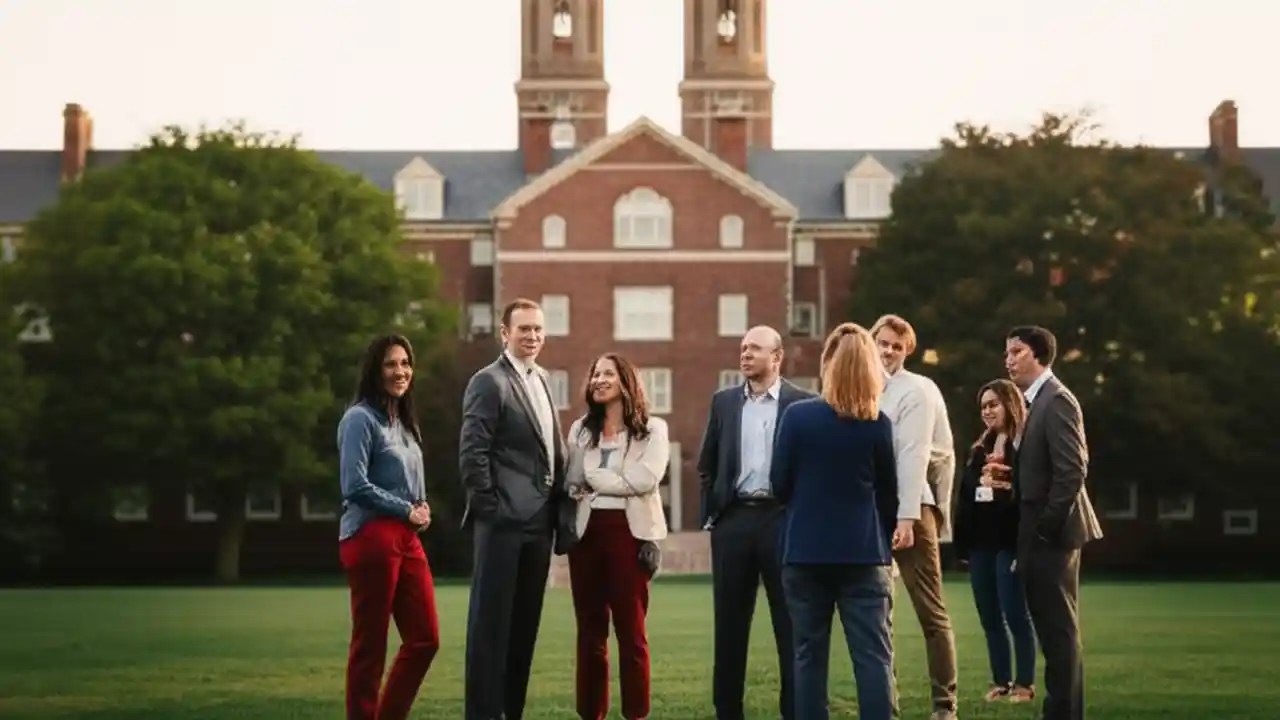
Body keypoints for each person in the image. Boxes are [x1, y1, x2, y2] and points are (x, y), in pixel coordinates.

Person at [771, 322, 899, 720]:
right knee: (873, 657)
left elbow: (778, 484)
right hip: (863, 553)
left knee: (808, 655)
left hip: (805, 552)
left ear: (828, 364)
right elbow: (888, 495)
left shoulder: (797, 417)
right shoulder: (878, 424)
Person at [697, 324, 816, 720]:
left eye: (755, 349)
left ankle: (795, 711)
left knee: (791, 625)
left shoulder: (804, 404)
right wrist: (712, 513)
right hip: (733, 521)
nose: (745, 354)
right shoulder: (724, 402)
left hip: (783, 520)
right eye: (743, 348)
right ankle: (727, 712)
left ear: (777, 357)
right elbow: (707, 464)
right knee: (729, 625)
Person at [459, 298, 568, 720]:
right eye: (524, 329)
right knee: (490, 630)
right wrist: (492, 509)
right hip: (503, 523)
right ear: (505, 333)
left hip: (540, 524)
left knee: (524, 629)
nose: (532, 336)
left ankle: (511, 713)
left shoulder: (542, 378)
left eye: (538, 329)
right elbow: (473, 454)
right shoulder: (488, 381)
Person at [992, 326, 1103, 720]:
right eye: (1007, 352)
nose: (1008, 360)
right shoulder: (1033, 403)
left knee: (1059, 635)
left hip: (1052, 537)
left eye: (1017, 352)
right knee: (1053, 635)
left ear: (1040, 355)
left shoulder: (1056, 401)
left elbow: (1072, 472)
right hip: (1037, 533)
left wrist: (1044, 529)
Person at [337, 333, 440, 720]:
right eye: (391, 364)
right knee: (371, 645)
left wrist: (422, 505)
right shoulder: (359, 419)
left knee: (425, 638)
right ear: (375, 371)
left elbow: (411, 481)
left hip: (406, 536)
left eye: (405, 363)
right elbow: (354, 485)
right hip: (371, 535)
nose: (400, 371)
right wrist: (405, 509)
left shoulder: (405, 423)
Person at [564, 352, 670, 720]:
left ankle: (635, 714)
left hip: (629, 534)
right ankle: (590, 713)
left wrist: (595, 480)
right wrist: (613, 482)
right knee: (590, 630)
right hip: (586, 535)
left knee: (631, 631)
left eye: (607, 374)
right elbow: (572, 482)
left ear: (626, 381)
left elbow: (646, 479)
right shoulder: (580, 430)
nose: (599, 380)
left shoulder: (653, 429)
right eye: (595, 374)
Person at [870, 313, 959, 720]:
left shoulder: (918, 389)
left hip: (911, 508)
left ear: (907, 351)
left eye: (897, 346)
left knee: (930, 610)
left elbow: (920, 456)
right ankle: (885, 704)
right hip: (870, 508)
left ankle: (944, 706)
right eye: (883, 343)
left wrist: (915, 516)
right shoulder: (862, 388)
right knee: (876, 611)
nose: (888, 351)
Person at [952, 379, 1037, 703]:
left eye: (993, 404)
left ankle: (1025, 684)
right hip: (980, 546)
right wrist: (962, 546)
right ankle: (1001, 681)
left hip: (1010, 543)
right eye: (983, 406)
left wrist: (1004, 487)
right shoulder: (978, 450)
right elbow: (965, 499)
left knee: (1015, 613)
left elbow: (1027, 498)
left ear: (1010, 405)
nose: (987, 411)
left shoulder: (1024, 448)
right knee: (989, 616)